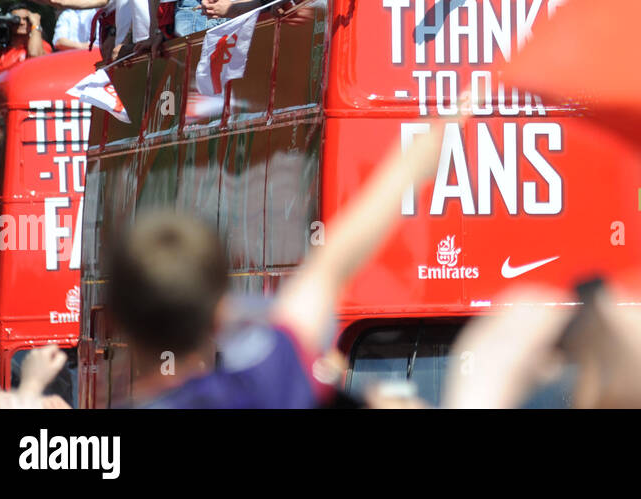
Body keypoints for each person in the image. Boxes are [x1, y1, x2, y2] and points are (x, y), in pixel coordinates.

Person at [107, 110, 448, 408]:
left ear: (117, 318)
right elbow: (326, 269)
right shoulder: (267, 382)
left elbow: (325, 271)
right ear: (219, 313)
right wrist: (407, 171)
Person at [0, 7, 51, 79]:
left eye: (26, 19)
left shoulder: (42, 46)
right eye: (16, 19)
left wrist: (36, 24)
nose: (21, 22)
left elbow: (35, 57)